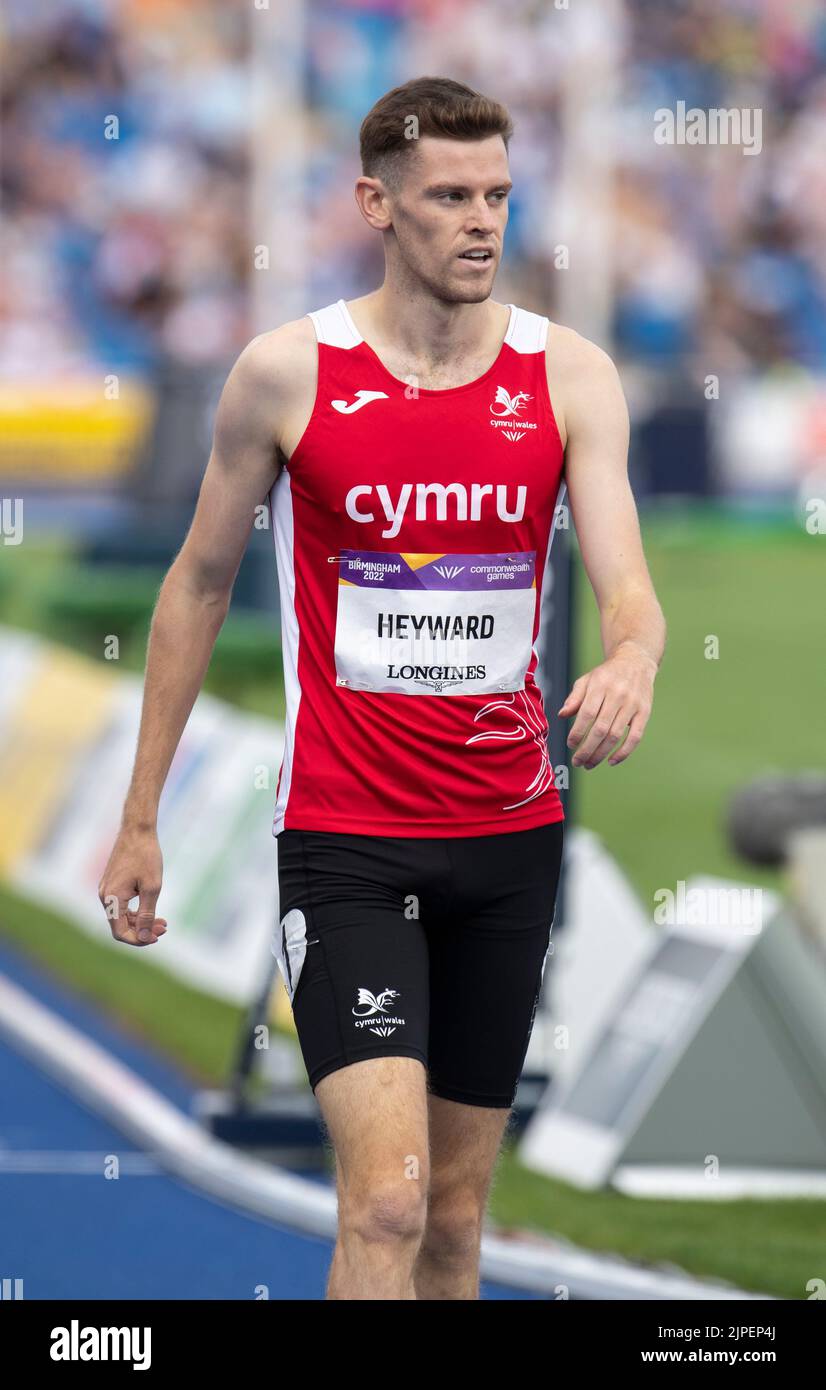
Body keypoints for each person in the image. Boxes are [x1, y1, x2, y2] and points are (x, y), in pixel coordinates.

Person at [99, 76, 666, 1300]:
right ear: (375, 202)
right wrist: (142, 812)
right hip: (349, 842)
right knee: (389, 1200)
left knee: (457, 1223)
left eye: (498, 196)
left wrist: (633, 655)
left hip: (508, 843)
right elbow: (195, 585)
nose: (480, 221)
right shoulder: (285, 374)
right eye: (449, 196)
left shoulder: (569, 378)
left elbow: (627, 584)